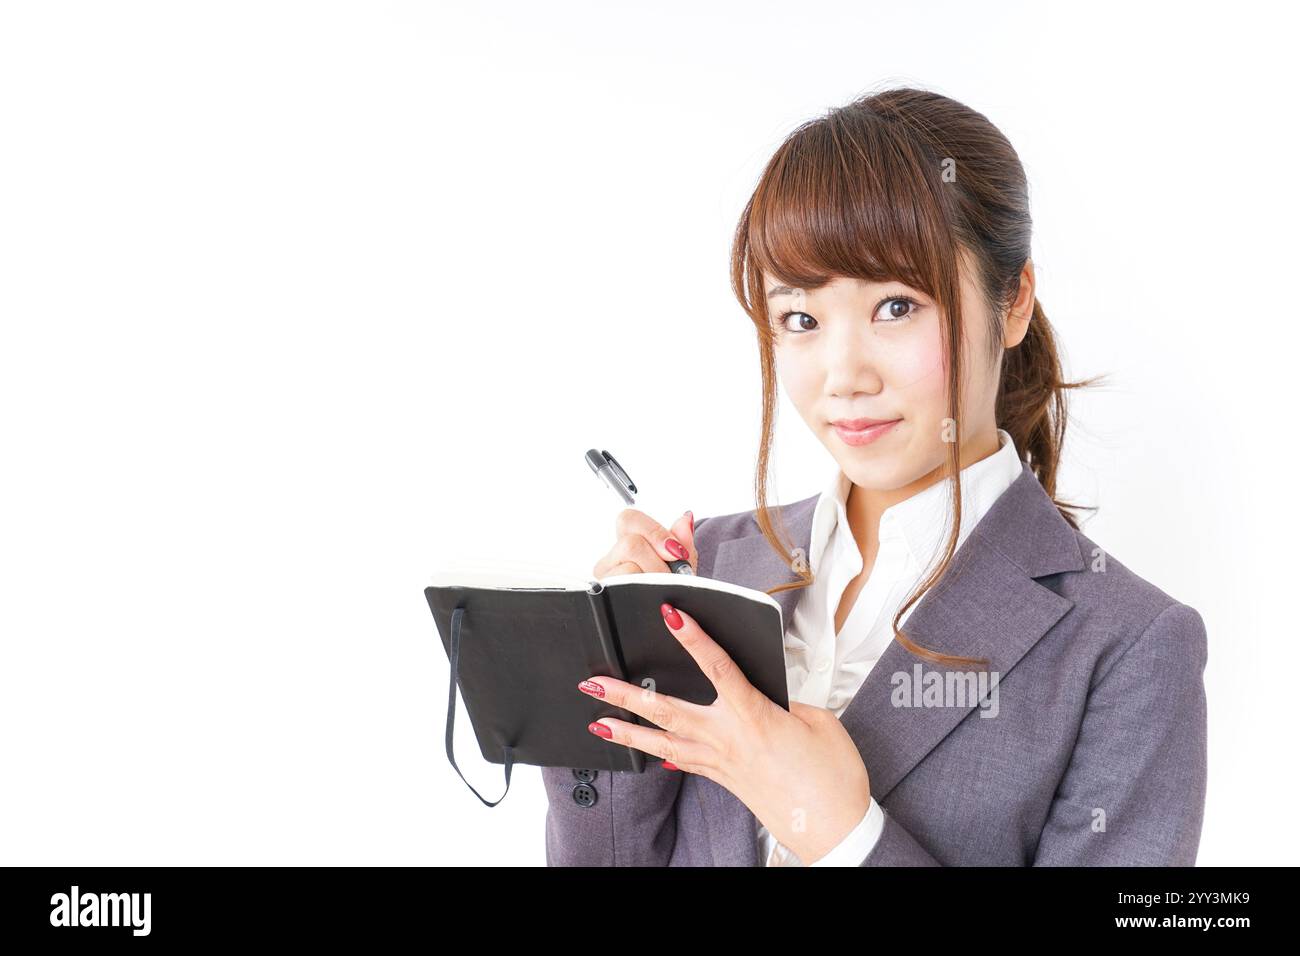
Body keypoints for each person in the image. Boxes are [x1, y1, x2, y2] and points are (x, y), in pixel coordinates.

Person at [542, 87, 1208, 866]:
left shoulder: (1128, 647)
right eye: (801, 318)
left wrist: (841, 831)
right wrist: (606, 669)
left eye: (896, 306)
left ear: (1014, 301)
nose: (844, 375)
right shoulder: (708, 570)